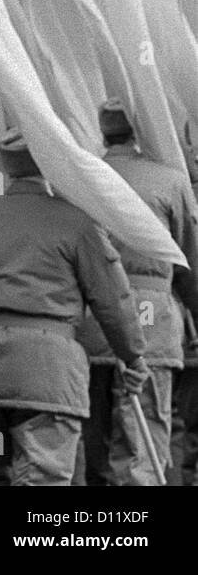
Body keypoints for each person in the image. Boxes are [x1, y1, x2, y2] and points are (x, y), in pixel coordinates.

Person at [0, 130, 148, 485]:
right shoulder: (78, 222)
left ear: (7, 168)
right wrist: (133, 356)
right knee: (43, 476)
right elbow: (112, 299)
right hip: (46, 377)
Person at [78, 100, 198, 485]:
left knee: (94, 435)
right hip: (152, 323)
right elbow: (188, 259)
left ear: (102, 129)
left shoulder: (83, 177)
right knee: (143, 436)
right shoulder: (170, 181)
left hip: (91, 324)